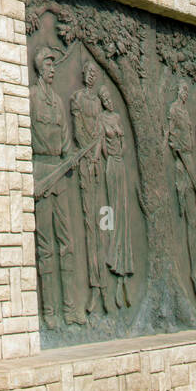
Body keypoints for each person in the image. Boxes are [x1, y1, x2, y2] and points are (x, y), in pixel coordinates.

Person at [29, 46, 83, 328]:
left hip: (60, 176)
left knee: (67, 244)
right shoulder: (31, 98)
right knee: (46, 245)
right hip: (40, 173)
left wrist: (69, 155)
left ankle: (70, 308)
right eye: (49, 65)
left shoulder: (58, 102)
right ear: (40, 67)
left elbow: (65, 141)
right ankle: (49, 313)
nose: (53, 69)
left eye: (54, 65)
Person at [70, 60, 110, 316]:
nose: (92, 77)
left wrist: (96, 154)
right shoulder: (77, 98)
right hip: (85, 163)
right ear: (84, 74)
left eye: (96, 73)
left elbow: (101, 134)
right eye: (89, 73)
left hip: (98, 163)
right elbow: (79, 131)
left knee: (105, 223)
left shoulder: (98, 103)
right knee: (89, 226)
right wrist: (89, 154)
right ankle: (95, 287)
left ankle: (106, 283)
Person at [167, 83, 196, 300]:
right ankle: (192, 274)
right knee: (185, 216)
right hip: (181, 164)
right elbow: (171, 137)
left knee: (194, 222)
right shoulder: (174, 110)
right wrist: (177, 147)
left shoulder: (185, 111)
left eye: (186, 91)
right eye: (182, 90)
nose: (185, 94)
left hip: (190, 160)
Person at [99, 85, 134, 309]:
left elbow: (125, 145)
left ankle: (124, 274)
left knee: (123, 214)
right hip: (111, 166)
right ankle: (113, 261)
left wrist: (119, 152)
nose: (108, 101)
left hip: (121, 166)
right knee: (111, 211)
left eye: (108, 97)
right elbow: (103, 146)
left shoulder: (117, 117)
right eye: (104, 98)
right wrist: (111, 157)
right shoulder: (101, 119)